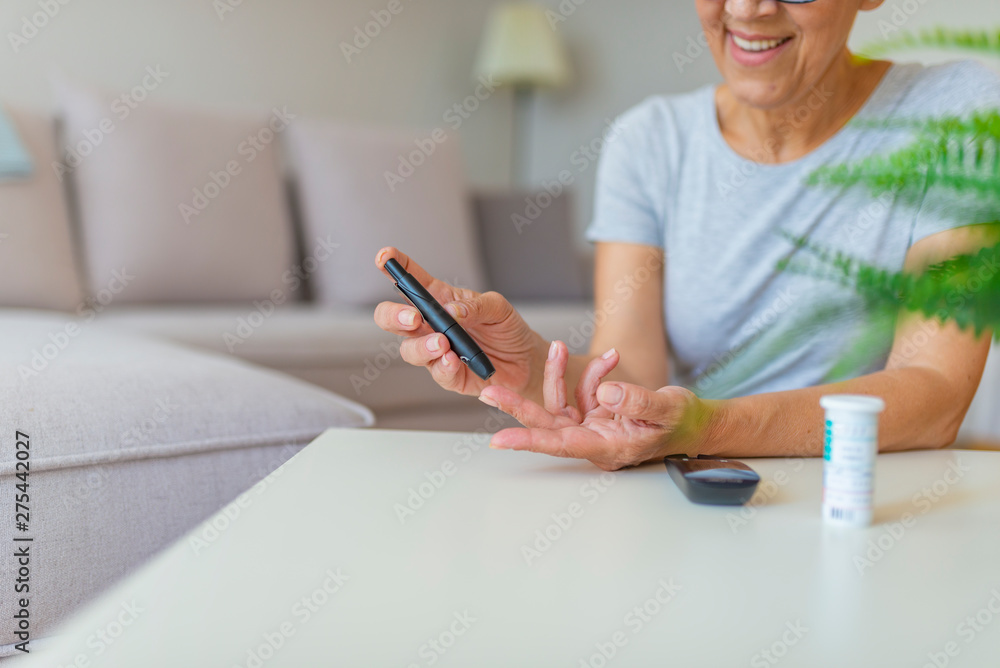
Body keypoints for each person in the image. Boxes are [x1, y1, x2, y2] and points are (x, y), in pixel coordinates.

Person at [374, 0, 1000, 471]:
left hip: (861, 492)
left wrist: (707, 427)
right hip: (705, 487)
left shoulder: (957, 111)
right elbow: (631, 372)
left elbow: (935, 392)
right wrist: (529, 366)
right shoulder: (649, 142)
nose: (748, 9)